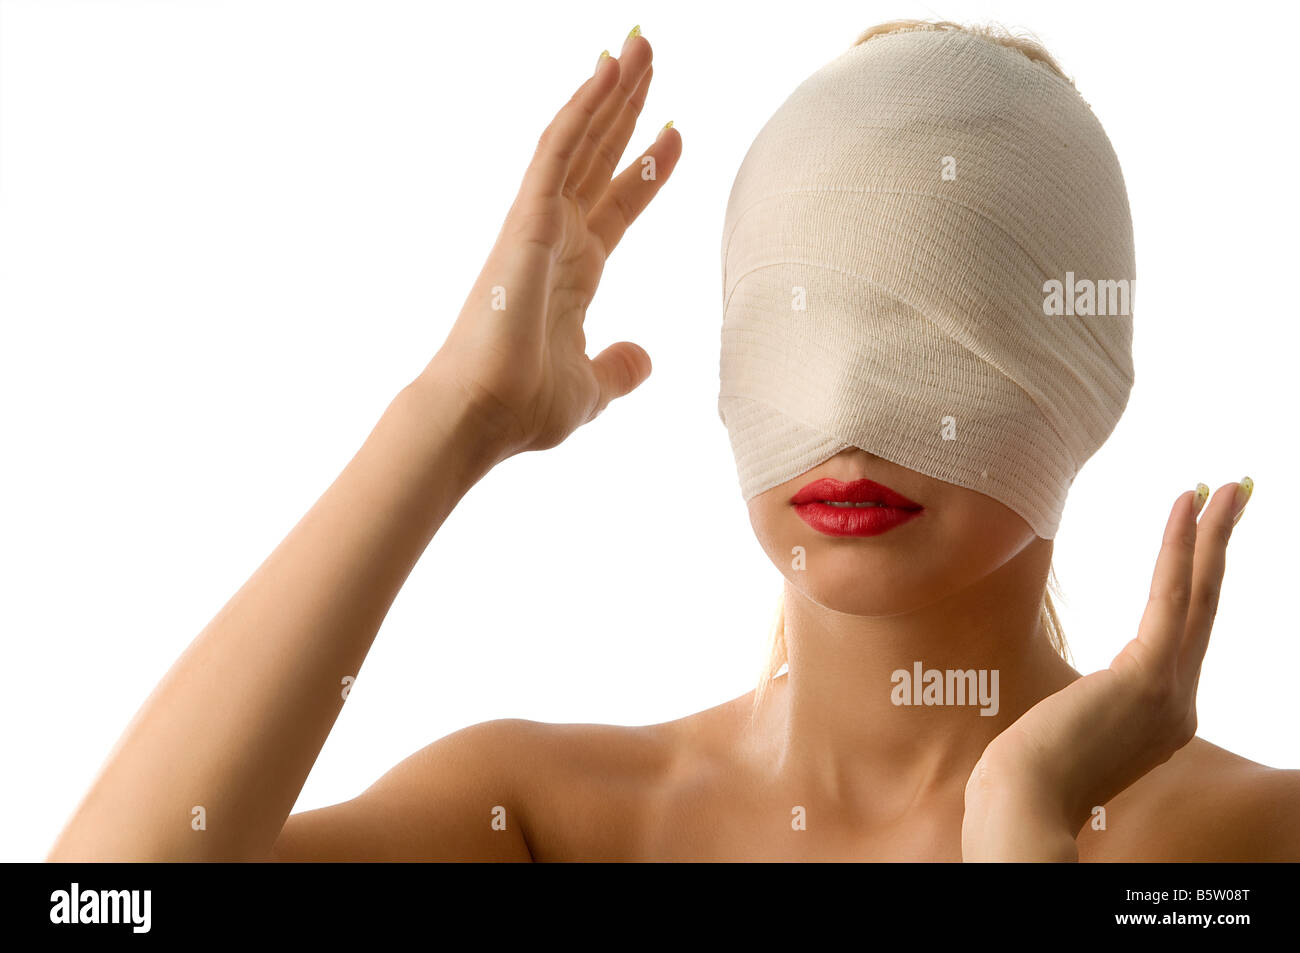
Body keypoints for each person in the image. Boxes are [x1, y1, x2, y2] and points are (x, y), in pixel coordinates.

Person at [47, 21, 1299, 862]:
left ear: (1088, 376)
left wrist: (1021, 822)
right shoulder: (546, 818)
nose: (853, 404)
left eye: (943, 328)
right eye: (798, 316)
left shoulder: (1240, 842)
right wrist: (447, 418)